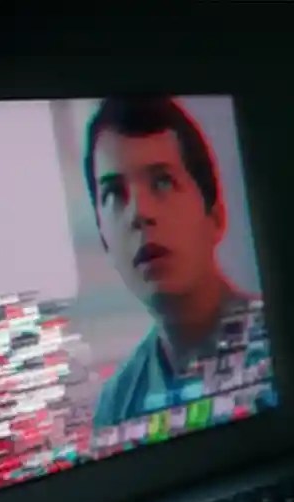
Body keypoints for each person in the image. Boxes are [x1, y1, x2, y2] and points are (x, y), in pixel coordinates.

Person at [83, 96, 256, 428]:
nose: (139, 213)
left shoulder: (285, 349)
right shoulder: (115, 407)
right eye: (115, 194)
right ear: (104, 239)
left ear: (216, 216)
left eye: (162, 182)